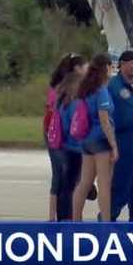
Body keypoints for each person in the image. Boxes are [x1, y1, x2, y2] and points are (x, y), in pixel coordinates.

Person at [71, 53, 118, 222]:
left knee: (84, 182)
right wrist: (114, 145)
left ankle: (76, 220)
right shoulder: (101, 91)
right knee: (104, 185)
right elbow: (105, 121)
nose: (113, 70)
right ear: (106, 68)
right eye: (111, 66)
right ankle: (106, 223)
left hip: (86, 140)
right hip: (100, 140)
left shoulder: (85, 89)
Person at [108, 50, 133, 221]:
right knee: (122, 180)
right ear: (122, 64)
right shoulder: (113, 86)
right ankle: (109, 215)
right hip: (122, 139)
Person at [47, 53, 86, 221]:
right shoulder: (76, 104)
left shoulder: (62, 100)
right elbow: (77, 127)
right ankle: (69, 217)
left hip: (64, 145)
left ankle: (61, 217)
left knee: (65, 182)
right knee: (71, 183)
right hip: (76, 147)